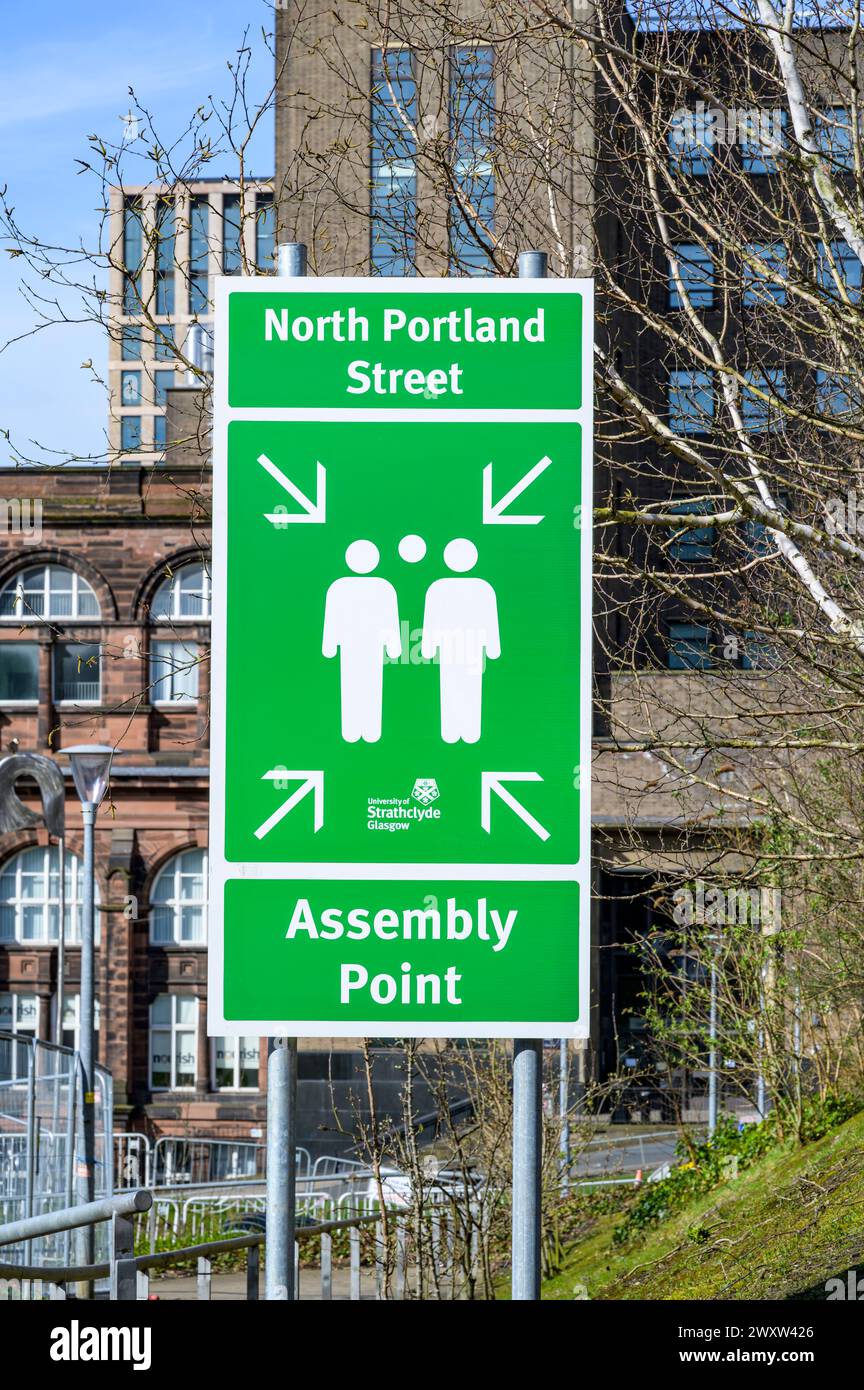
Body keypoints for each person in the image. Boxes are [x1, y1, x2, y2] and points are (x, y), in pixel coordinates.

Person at [422, 538, 500, 743]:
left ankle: (463, 731)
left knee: (461, 687)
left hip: (461, 648)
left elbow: (490, 620)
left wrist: (428, 647)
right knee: (456, 686)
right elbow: (431, 619)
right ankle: (459, 731)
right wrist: (493, 648)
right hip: (460, 648)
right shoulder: (481, 588)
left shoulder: (438, 588)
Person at [322, 540, 402, 742]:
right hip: (364, 647)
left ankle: (363, 730)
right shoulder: (384, 587)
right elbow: (331, 619)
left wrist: (329, 646)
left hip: (358, 647)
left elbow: (390, 618)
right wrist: (394, 647)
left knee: (359, 685)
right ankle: (363, 730)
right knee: (363, 685)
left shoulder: (339, 587)